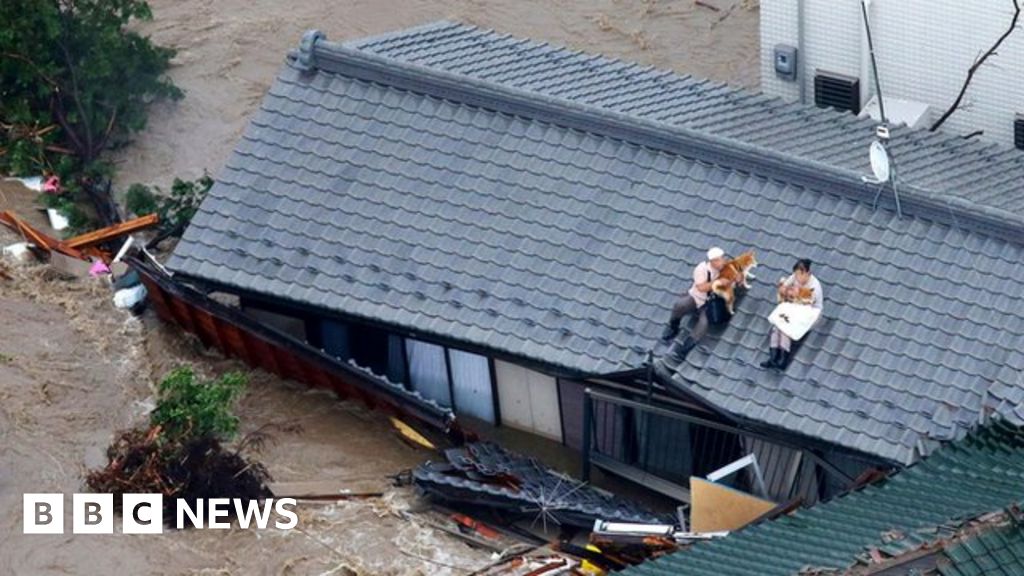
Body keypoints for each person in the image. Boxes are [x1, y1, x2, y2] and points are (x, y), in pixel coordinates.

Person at [659, 247, 734, 363]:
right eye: (718, 260)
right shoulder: (701, 269)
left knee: (703, 324)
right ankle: (673, 327)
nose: (722, 262)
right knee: (680, 305)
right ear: (712, 261)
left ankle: (683, 349)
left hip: (710, 303)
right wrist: (718, 282)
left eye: (722, 259)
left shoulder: (726, 269)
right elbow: (701, 288)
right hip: (697, 297)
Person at [761, 258, 823, 370]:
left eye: (800, 275)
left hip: (810, 312)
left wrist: (797, 294)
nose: (797, 278)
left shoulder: (815, 285)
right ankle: (773, 356)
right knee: (777, 325)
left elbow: (809, 302)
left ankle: (783, 358)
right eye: (796, 275)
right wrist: (784, 289)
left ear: (807, 273)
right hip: (795, 307)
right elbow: (784, 287)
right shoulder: (794, 277)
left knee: (786, 328)